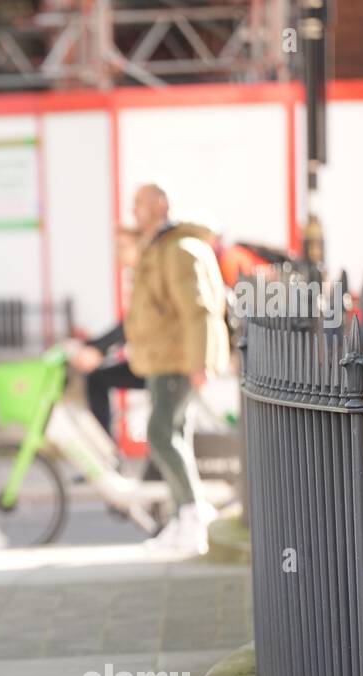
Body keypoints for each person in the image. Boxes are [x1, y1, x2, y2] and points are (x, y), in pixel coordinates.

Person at [122, 183, 229, 553]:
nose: (134, 211)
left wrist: (198, 362)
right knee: (174, 433)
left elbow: (197, 309)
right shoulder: (159, 248)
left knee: (161, 433)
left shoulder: (179, 249)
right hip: (162, 358)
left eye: (140, 204)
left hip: (177, 359)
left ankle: (193, 514)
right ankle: (183, 517)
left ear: (161, 205)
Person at [70, 225, 146, 439]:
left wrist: (97, 349)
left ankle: (106, 453)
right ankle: (106, 452)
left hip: (163, 364)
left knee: (97, 379)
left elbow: (133, 326)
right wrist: (93, 345)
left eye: (122, 247)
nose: (117, 253)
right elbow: (129, 324)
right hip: (153, 359)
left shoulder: (147, 277)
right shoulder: (138, 275)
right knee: (97, 378)